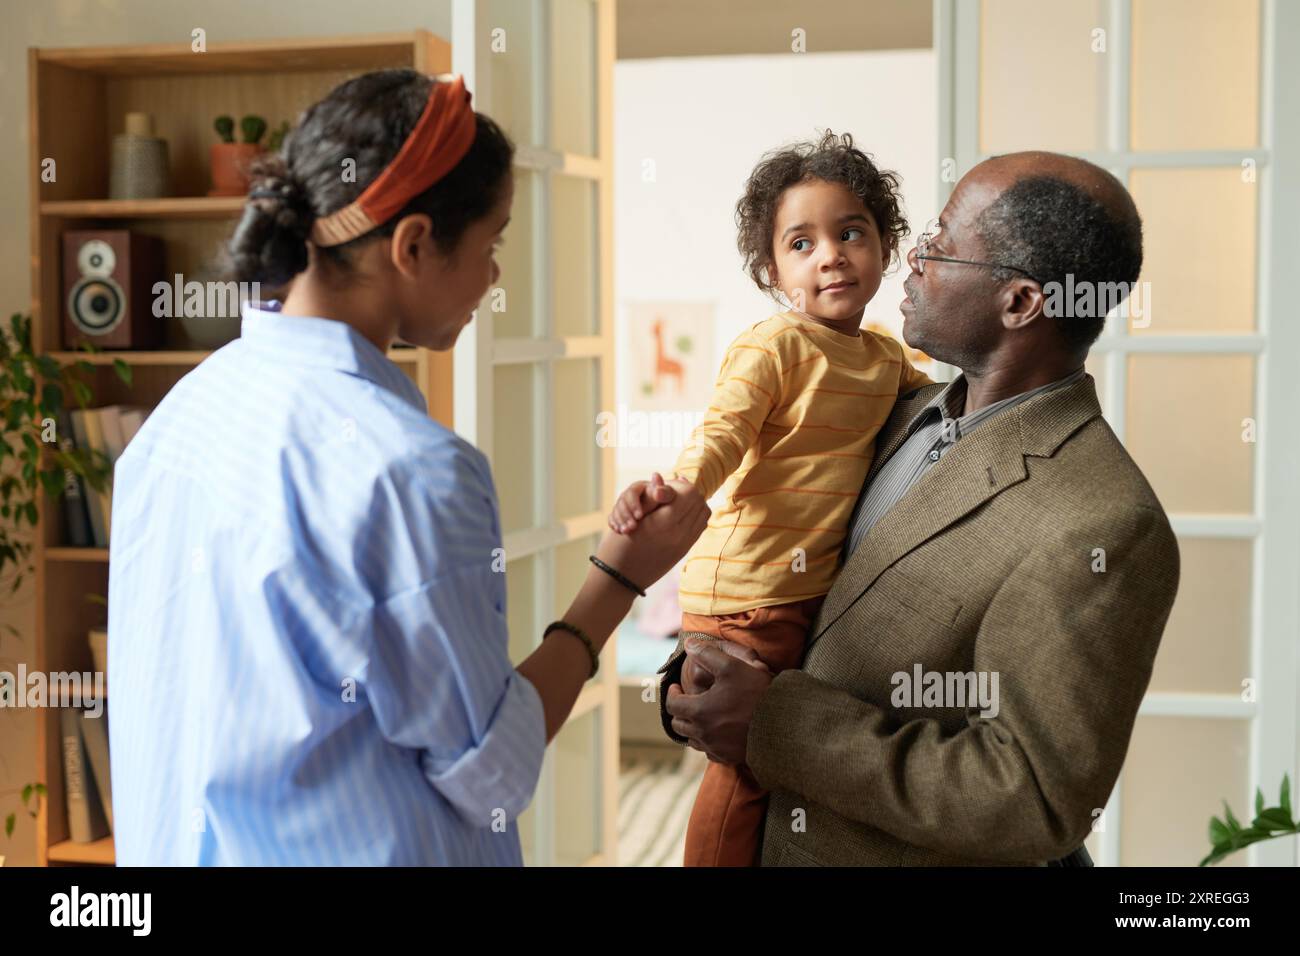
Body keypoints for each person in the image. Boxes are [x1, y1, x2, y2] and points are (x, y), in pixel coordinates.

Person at [106, 69, 708, 866]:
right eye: (491, 246)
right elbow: (491, 771)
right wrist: (618, 582)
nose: (494, 277)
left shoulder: (174, 422)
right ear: (415, 243)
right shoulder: (411, 470)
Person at [647, 151, 1181, 866]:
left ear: (1019, 302)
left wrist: (772, 723)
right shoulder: (885, 408)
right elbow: (797, 589)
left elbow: (1031, 800)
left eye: (943, 245)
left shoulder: (1104, 522)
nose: (913, 258)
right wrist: (699, 680)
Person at [609, 132, 930, 866]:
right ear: (772, 270)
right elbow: (722, 431)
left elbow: (941, 401)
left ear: (885, 248)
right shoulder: (776, 346)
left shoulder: (884, 357)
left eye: (851, 233)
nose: (831, 255)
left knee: (784, 751)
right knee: (746, 764)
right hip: (746, 589)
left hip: (801, 589)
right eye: (802, 242)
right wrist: (681, 489)